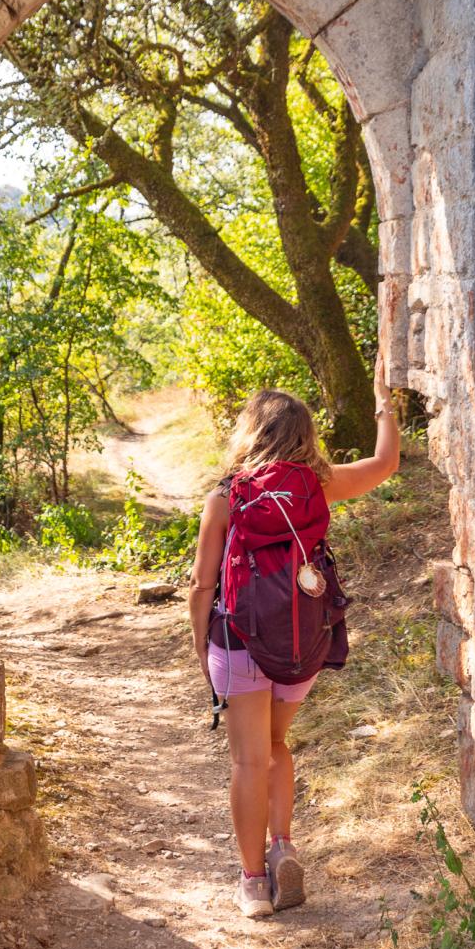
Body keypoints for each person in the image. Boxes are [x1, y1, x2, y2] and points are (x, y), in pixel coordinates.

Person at [188, 359, 400, 918]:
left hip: (240, 640)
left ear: (250, 432)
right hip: (304, 640)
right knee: (277, 743)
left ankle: (254, 882)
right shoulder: (319, 486)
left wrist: (201, 646)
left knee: (247, 760)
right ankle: (282, 845)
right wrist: (384, 400)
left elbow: (202, 584)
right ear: (305, 435)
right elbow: (385, 463)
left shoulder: (225, 498)